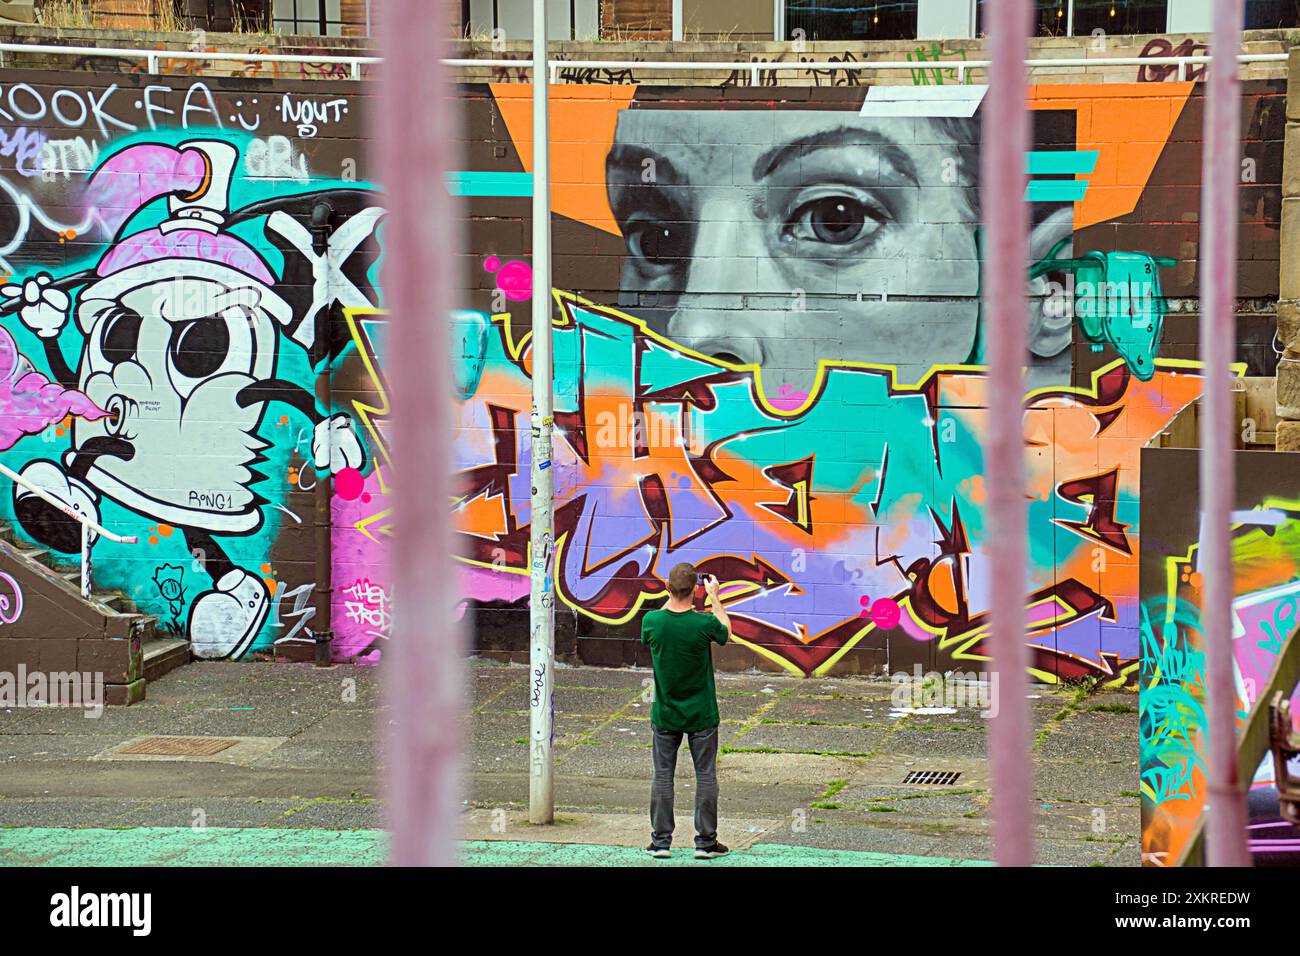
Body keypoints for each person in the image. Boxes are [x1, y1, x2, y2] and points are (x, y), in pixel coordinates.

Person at [641, 561, 731, 859]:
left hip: (665, 713)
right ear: (696, 590)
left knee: (662, 775)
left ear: (667, 587)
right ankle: (705, 843)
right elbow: (726, 633)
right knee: (705, 774)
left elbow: (663, 624)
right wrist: (715, 597)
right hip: (701, 714)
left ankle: (661, 842)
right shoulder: (704, 623)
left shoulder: (652, 621)